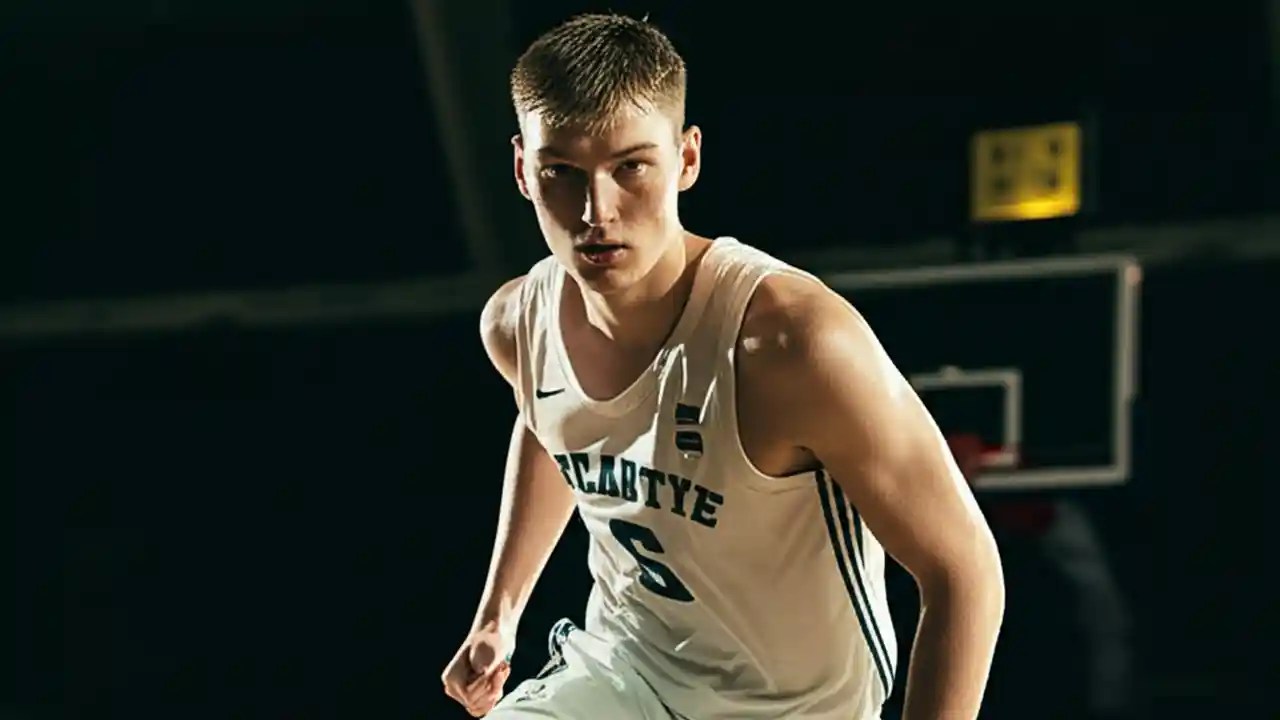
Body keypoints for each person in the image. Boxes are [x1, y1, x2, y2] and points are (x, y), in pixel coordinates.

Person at [440, 13, 1005, 720]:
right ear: (525, 169)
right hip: (624, 677)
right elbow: (553, 427)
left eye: (630, 167)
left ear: (686, 158)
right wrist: (499, 613)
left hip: (793, 709)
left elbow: (966, 573)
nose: (596, 211)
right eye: (563, 173)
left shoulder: (793, 343)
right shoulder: (517, 325)